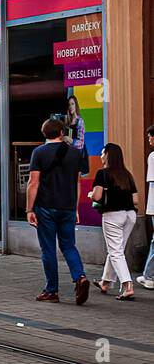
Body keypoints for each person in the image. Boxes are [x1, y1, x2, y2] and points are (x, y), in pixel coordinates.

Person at [26, 118, 90, 304]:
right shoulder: (75, 153)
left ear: (44, 133)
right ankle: (80, 277)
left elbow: (33, 183)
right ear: (62, 133)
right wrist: (75, 207)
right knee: (69, 245)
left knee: (48, 249)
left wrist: (30, 209)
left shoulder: (39, 152)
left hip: (46, 206)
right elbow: (77, 183)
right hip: (68, 206)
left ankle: (52, 290)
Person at [91, 142, 139, 301]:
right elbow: (136, 200)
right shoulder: (127, 174)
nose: (100, 156)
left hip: (113, 216)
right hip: (130, 215)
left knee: (116, 251)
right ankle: (105, 282)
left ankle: (128, 286)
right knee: (117, 249)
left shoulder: (102, 174)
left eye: (102, 153)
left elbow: (97, 197)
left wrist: (91, 195)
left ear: (108, 156)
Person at [137, 126, 154, 290]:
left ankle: (149, 276)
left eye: (150, 137)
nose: (149, 140)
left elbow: (153, 182)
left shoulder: (153, 156)